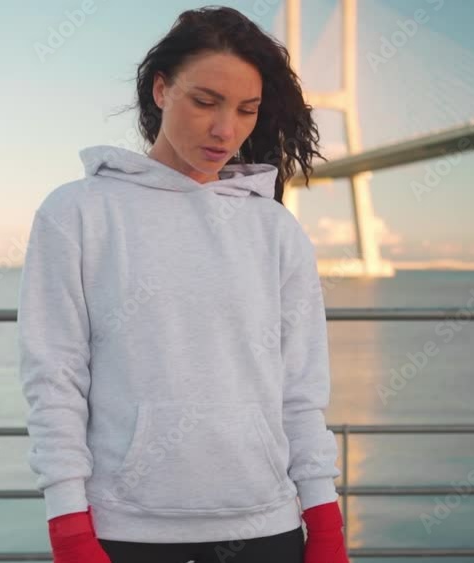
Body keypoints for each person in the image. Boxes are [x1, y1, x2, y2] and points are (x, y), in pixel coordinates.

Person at [17, 6, 349, 563]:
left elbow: (301, 391)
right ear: (161, 89)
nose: (226, 130)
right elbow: (54, 379)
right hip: (125, 531)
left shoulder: (273, 229)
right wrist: (68, 528)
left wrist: (326, 526)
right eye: (205, 102)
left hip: (265, 525)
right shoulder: (77, 213)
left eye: (247, 110)